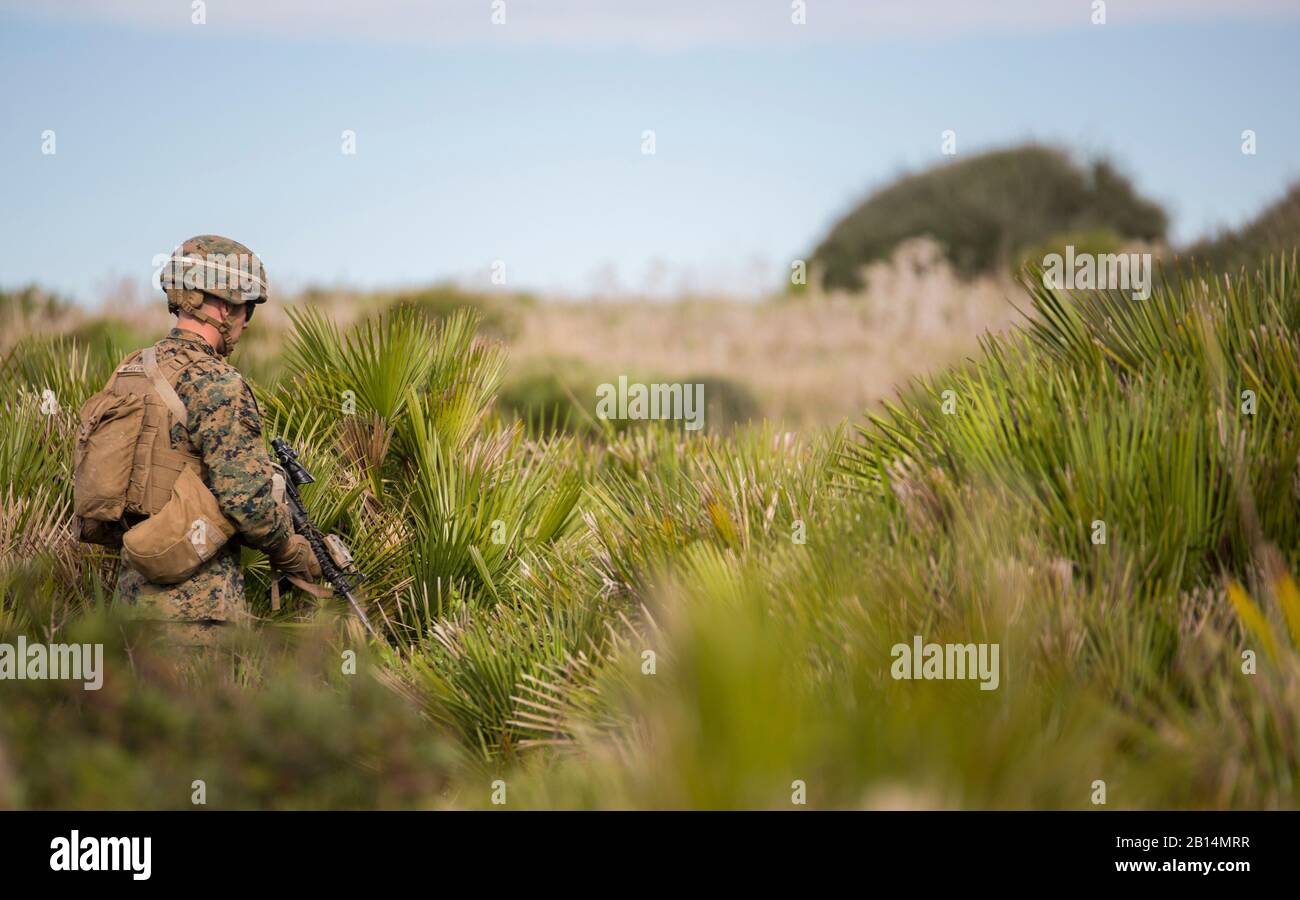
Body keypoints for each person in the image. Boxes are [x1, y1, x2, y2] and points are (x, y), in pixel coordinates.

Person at [112, 235, 319, 649]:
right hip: (196, 613)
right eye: (248, 309)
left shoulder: (130, 372)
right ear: (225, 305)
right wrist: (292, 551)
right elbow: (246, 501)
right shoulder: (217, 382)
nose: (245, 322)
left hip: (128, 602)